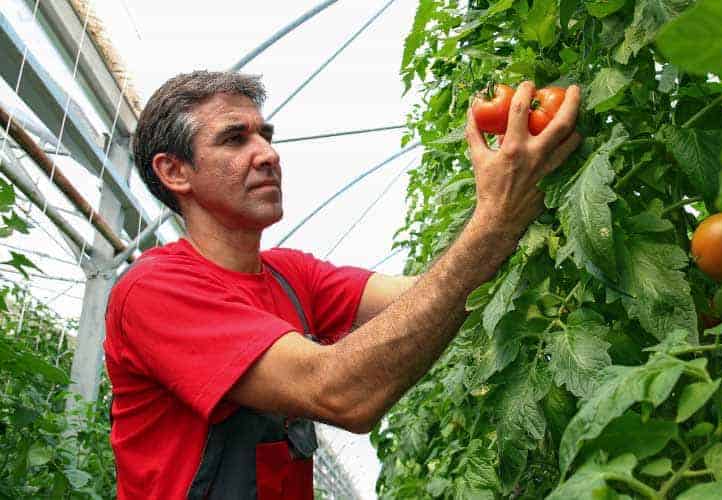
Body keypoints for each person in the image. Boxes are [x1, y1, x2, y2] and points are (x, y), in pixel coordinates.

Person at [104, 70, 581, 499]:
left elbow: (431, 293)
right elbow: (340, 392)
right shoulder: (155, 290)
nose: (268, 154)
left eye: (266, 136)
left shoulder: (292, 276)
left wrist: (528, 187)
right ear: (174, 171)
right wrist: (493, 222)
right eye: (235, 139)